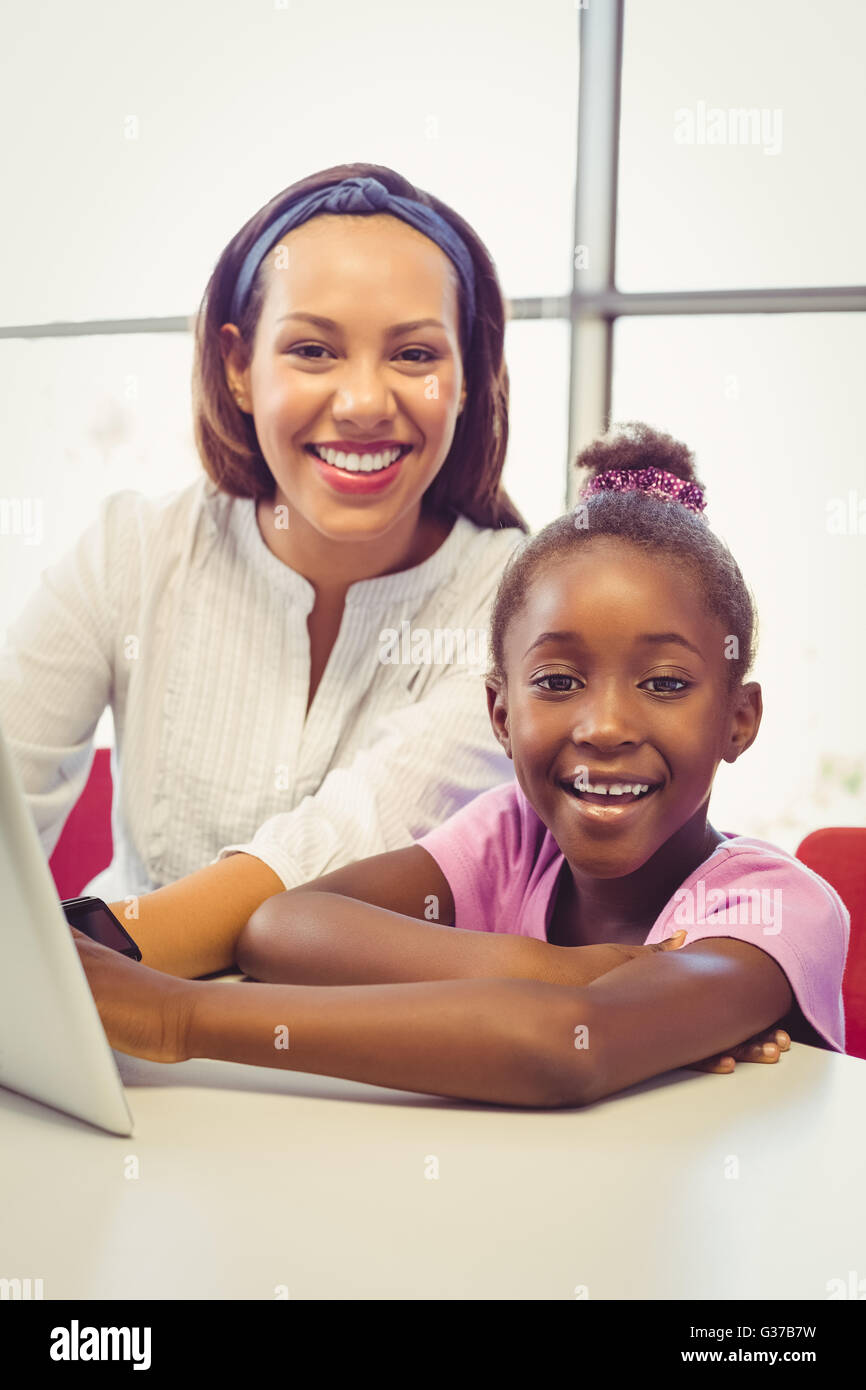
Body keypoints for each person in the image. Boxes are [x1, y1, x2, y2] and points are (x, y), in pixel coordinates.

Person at [71, 423, 850, 1106]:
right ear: (501, 716)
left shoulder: (775, 908)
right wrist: (562, 970)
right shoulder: (512, 837)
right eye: (558, 682)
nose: (607, 727)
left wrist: (178, 1017)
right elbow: (283, 927)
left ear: (739, 719)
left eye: (666, 683)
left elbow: (563, 1046)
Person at [0, 163, 529, 979]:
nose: (363, 402)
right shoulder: (131, 550)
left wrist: (67, 965)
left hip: (376, 1056)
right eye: (313, 350)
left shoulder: (523, 604)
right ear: (239, 366)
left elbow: (336, 854)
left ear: (465, 378)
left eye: (414, 353)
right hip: (109, 1033)